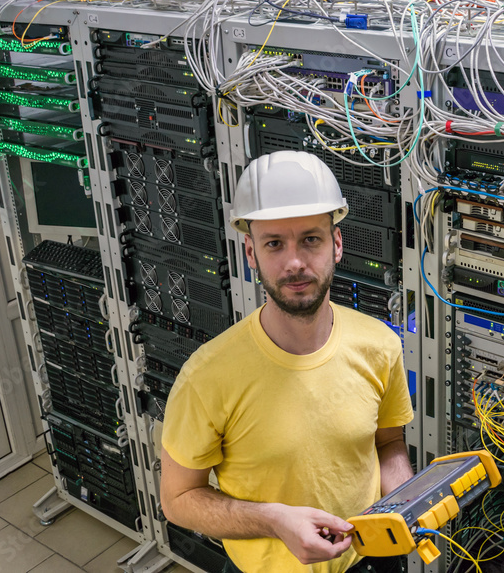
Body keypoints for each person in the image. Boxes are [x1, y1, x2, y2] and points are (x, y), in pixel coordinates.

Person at [160, 151, 414, 573]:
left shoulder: (380, 345)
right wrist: (274, 521)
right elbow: (178, 500)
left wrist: (403, 501)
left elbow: (388, 444)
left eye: (310, 239)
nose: (295, 262)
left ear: (336, 244)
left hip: (371, 562)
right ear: (251, 253)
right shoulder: (207, 376)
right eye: (274, 243)